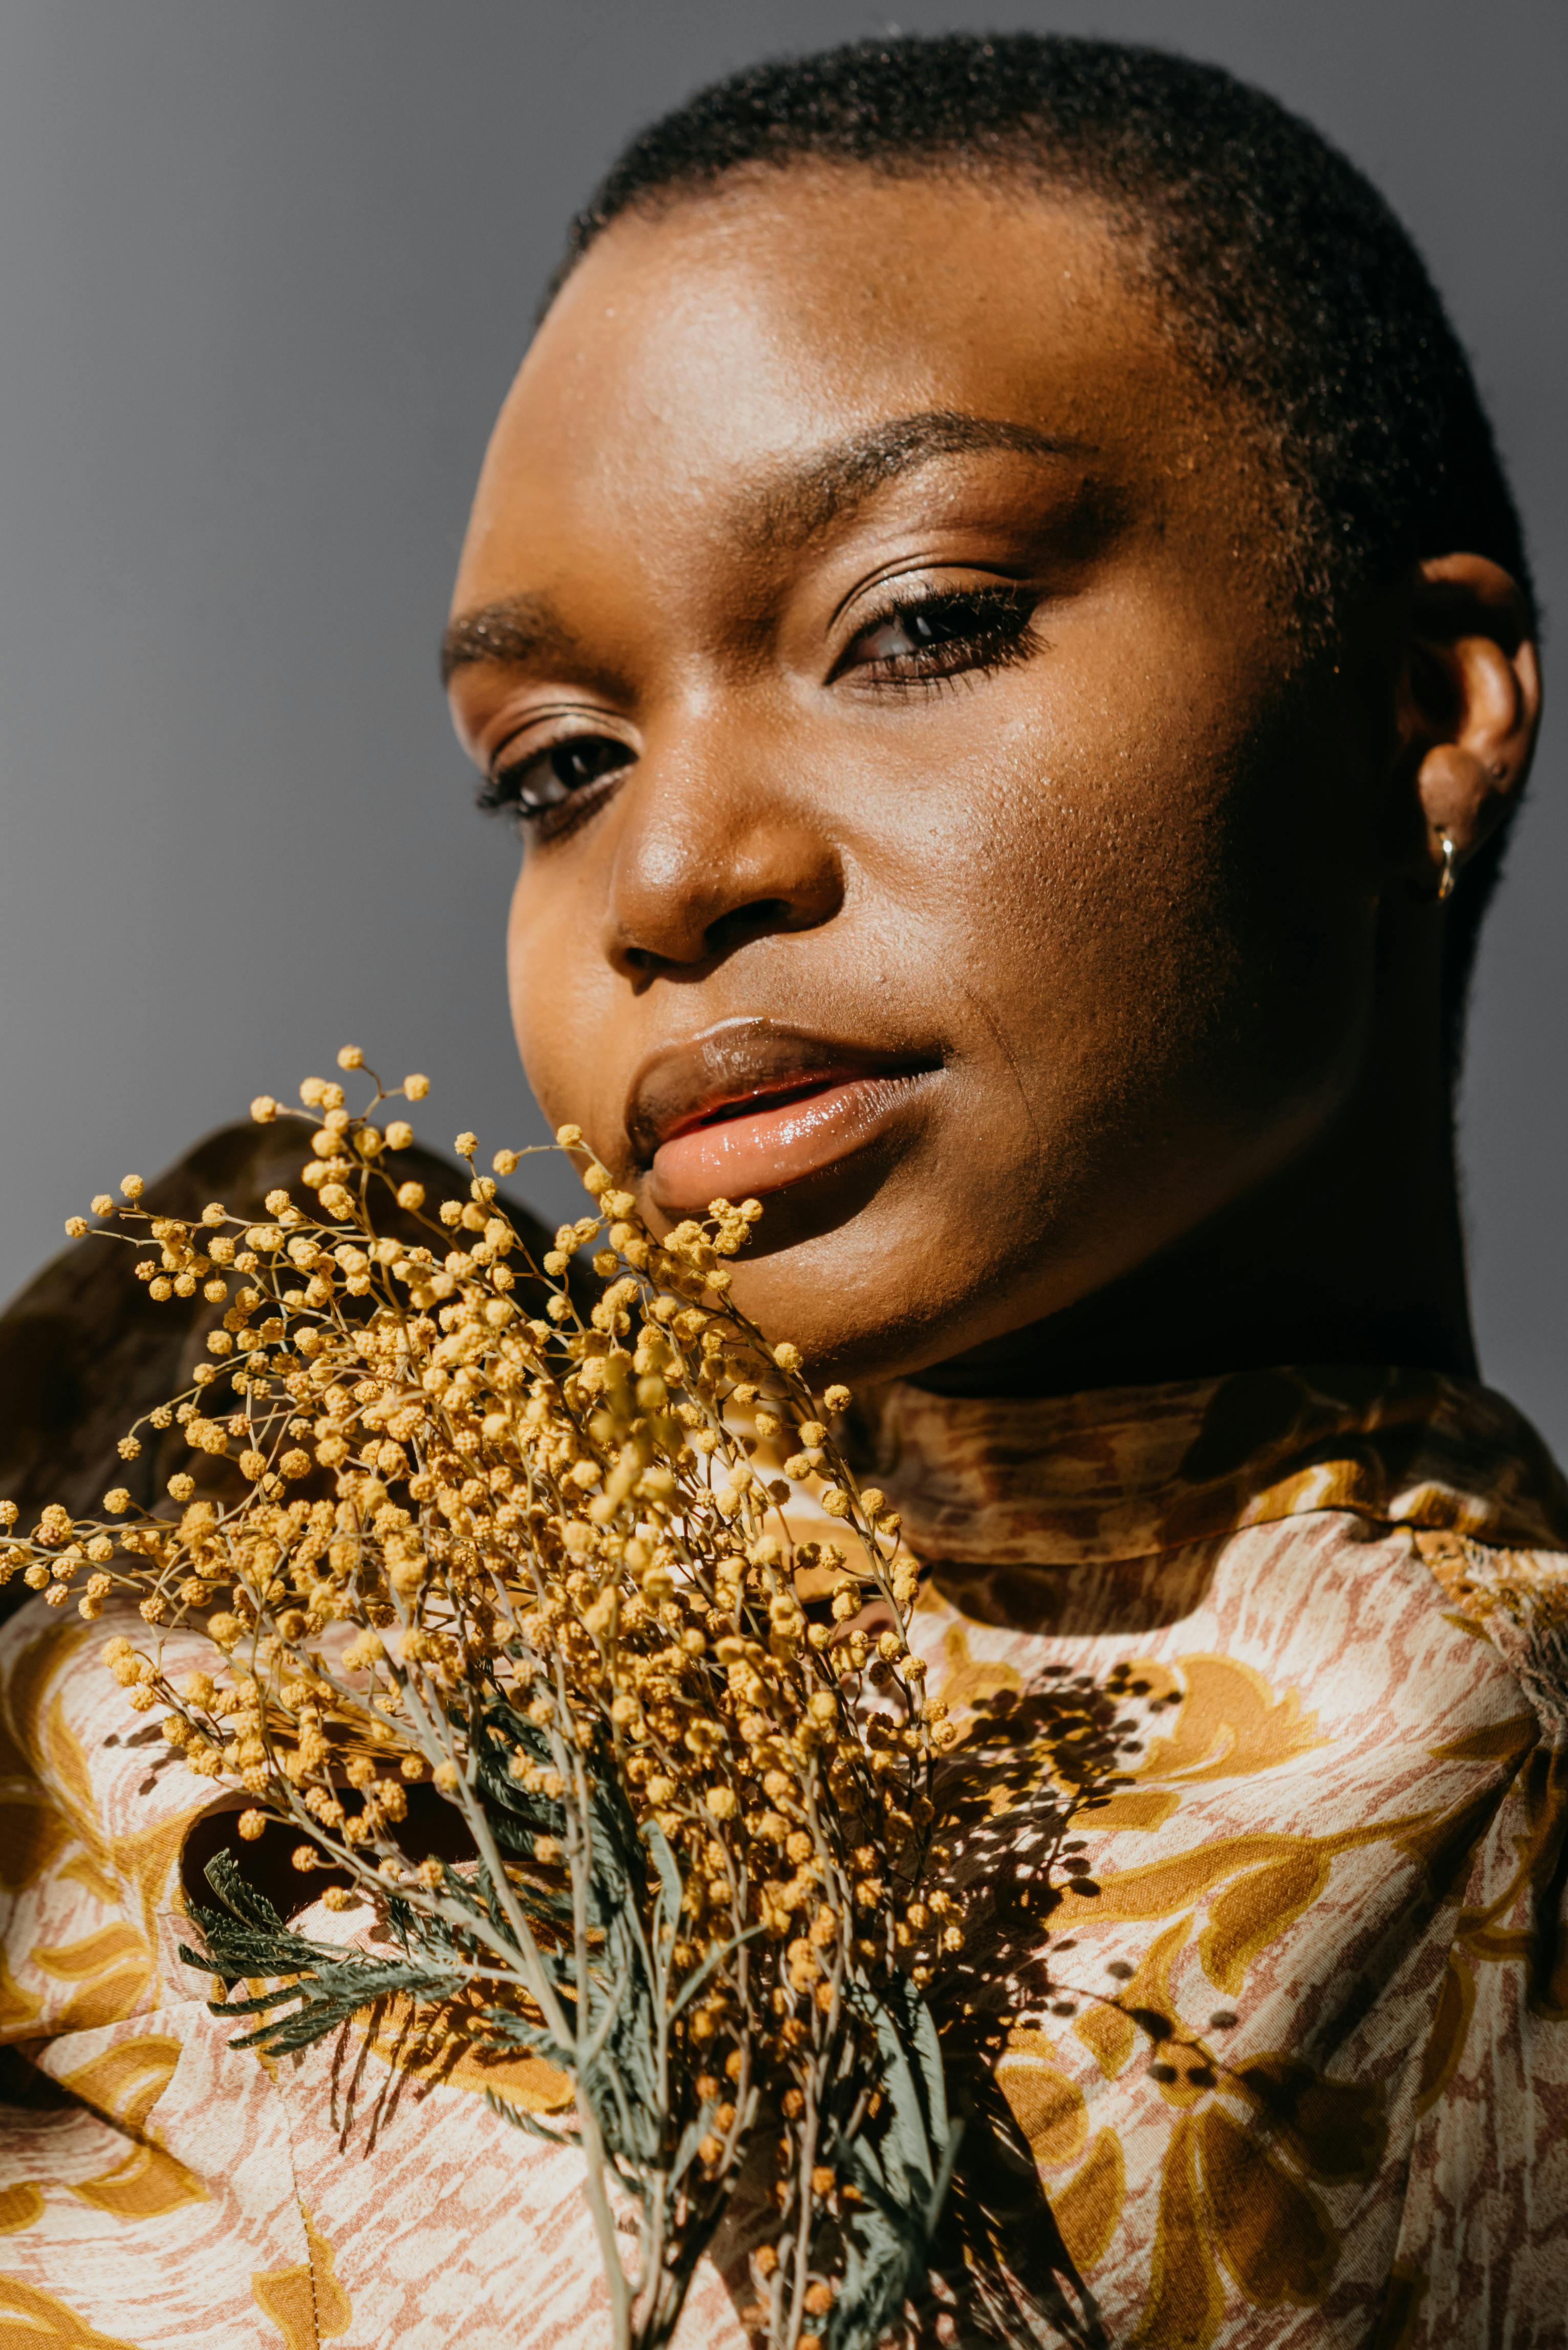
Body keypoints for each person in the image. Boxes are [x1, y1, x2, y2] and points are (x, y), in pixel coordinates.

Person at [1, 32, 1560, 2348]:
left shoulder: (1467, 1798)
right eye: (558, 762)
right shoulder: (248, 1384)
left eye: (913, 621)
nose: (671, 870)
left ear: (1420, 704)